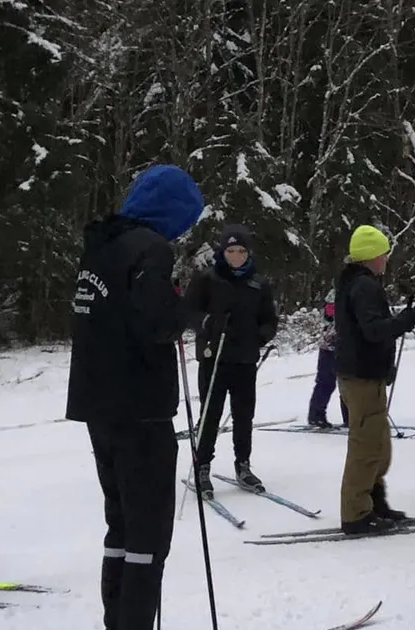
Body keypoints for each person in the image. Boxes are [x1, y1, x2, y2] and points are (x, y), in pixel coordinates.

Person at [65, 163, 202, 630]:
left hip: (97, 401)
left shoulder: (100, 245)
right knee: (148, 531)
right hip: (139, 407)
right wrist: (189, 308)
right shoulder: (150, 249)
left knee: (121, 522)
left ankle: (118, 619)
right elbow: (155, 323)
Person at [333, 224, 415, 534]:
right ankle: (356, 514)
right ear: (372, 256)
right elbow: (374, 330)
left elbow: (372, 326)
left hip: (363, 375)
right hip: (361, 377)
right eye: (384, 254)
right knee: (366, 447)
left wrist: (404, 317)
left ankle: (374, 503)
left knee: (377, 444)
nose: (386, 259)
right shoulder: (364, 286)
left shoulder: (357, 283)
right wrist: (410, 318)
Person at [184, 224, 279, 496]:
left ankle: (243, 465)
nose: (236, 256)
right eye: (231, 251)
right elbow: (189, 311)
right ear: (222, 252)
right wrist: (208, 324)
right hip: (215, 357)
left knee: (243, 415)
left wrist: (259, 336)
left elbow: (269, 320)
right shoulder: (208, 279)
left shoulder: (258, 284)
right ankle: (202, 466)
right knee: (210, 414)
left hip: (245, 358)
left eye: (241, 251)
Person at [307, 288, 349, 429]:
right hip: (332, 346)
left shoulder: (350, 290)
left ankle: (350, 417)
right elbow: (329, 315)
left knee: (346, 382)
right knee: (328, 382)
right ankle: (316, 415)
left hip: (341, 346)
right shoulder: (341, 292)